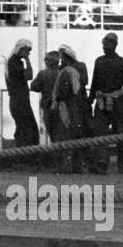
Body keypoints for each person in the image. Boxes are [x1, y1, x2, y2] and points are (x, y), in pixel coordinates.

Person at [88, 32, 123, 174]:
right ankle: (102, 162)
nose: (105, 47)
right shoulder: (100, 61)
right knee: (100, 132)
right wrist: (90, 100)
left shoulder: (122, 63)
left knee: (120, 132)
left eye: (108, 44)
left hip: (116, 102)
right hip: (102, 102)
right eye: (104, 44)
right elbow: (95, 82)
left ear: (115, 45)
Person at [51, 45, 89, 174]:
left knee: (66, 134)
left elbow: (64, 91)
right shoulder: (80, 67)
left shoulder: (66, 71)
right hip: (80, 104)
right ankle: (77, 165)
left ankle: (66, 166)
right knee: (78, 135)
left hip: (68, 106)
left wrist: (57, 99)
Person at [5, 38, 39, 154]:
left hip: (19, 100)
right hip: (20, 101)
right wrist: (27, 59)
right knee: (27, 128)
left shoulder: (13, 62)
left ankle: (23, 156)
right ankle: (25, 157)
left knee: (24, 128)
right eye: (27, 51)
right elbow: (29, 75)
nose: (29, 53)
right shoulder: (14, 63)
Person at [31, 49, 61, 152]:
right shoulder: (63, 73)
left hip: (48, 107)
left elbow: (33, 86)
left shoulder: (43, 74)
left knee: (52, 134)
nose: (45, 61)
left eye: (46, 60)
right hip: (62, 108)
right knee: (61, 134)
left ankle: (58, 160)